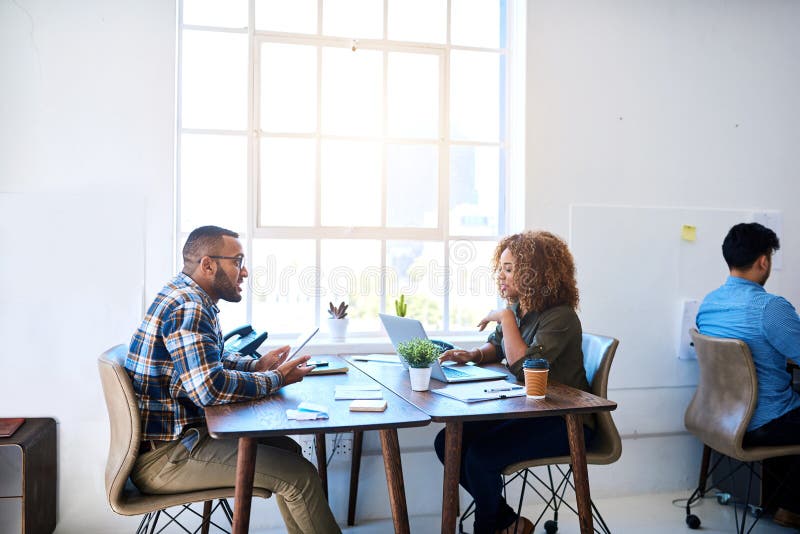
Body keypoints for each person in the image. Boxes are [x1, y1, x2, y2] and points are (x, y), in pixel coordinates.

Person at [125, 225, 340, 534]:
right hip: (166, 459)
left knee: (289, 453)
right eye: (237, 261)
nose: (245, 271)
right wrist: (276, 378)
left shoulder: (184, 295)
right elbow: (208, 389)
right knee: (300, 476)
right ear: (208, 264)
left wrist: (256, 366)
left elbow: (206, 360)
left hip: (177, 442)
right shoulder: (190, 307)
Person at [436, 231, 594, 534]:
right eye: (502, 267)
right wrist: (472, 354)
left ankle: (488, 528)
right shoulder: (521, 307)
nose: (501, 275)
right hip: (529, 411)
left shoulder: (560, 317)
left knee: (481, 457)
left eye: (510, 269)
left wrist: (505, 318)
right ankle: (507, 523)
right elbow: (497, 347)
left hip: (566, 421)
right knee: (447, 442)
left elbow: (523, 368)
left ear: (537, 274)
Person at [696, 222, 800, 529]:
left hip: (720, 418)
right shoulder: (770, 307)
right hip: (762, 422)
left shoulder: (709, 303)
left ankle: (786, 501)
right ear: (764, 260)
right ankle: (791, 507)